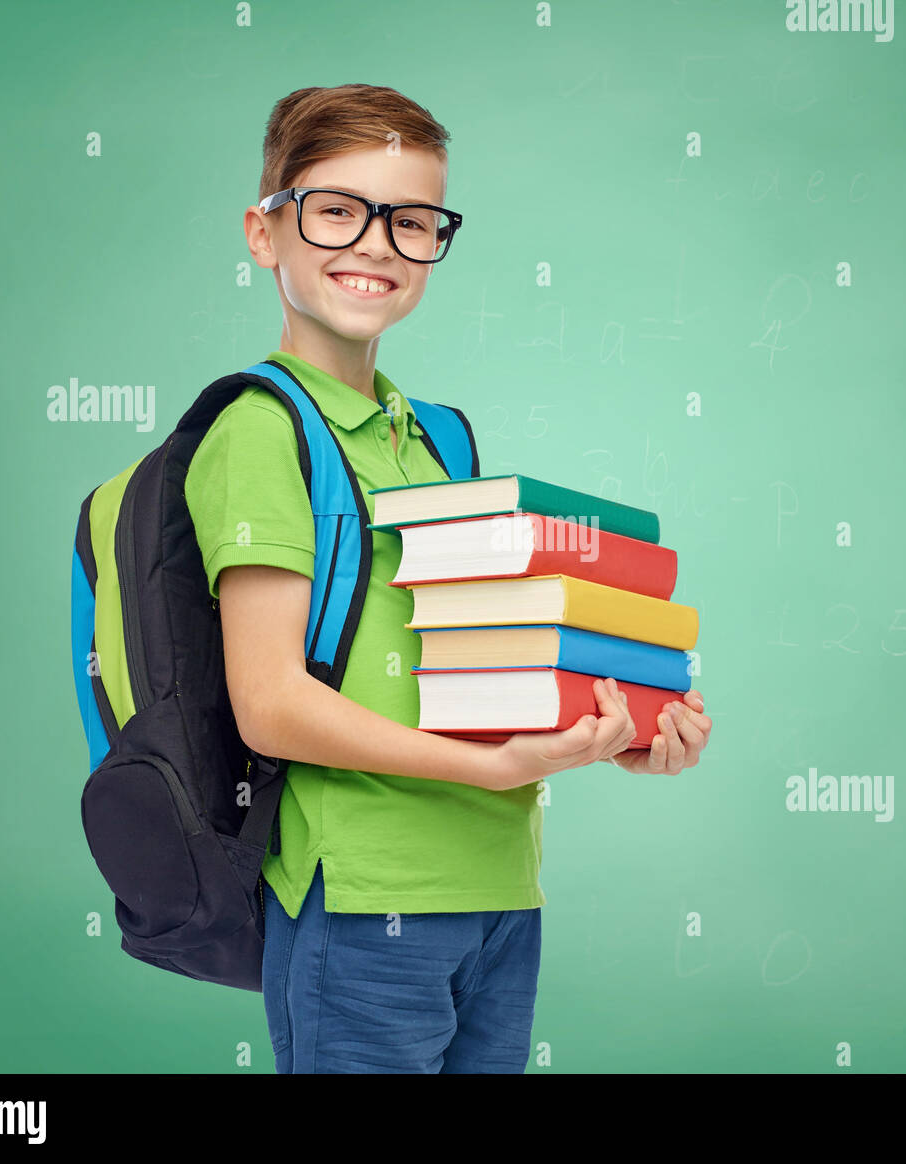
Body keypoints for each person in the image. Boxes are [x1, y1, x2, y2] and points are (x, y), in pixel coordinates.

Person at [183, 83, 712, 1074]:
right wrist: (492, 769)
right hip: (363, 897)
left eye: (412, 221)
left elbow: (470, 670)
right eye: (337, 210)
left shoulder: (441, 438)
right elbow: (270, 705)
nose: (376, 244)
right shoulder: (260, 431)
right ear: (265, 232)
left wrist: (613, 734)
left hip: (500, 888)